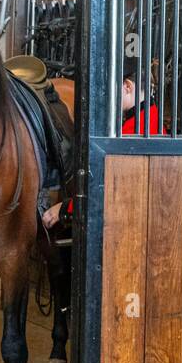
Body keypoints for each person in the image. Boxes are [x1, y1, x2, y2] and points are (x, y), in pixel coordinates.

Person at [40, 50, 162, 229]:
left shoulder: (134, 132)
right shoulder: (151, 118)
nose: (109, 96)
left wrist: (65, 208)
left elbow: (110, 190)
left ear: (127, 87)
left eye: (113, 89)